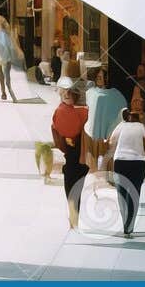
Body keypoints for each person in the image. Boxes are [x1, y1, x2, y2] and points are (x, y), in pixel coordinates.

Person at [106, 108, 145, 237]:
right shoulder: (141, 127)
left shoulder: (120, 126)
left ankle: (125, 226)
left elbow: (111, 141)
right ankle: (129, 227)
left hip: (121, 162)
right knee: (134, 194)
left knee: (121, 194)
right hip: (138, 162)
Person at [52, 86, 90, 228]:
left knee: (74, 190)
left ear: (75, 96)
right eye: (65, 92)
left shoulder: (82, 112)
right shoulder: (62, 111)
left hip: (79, 160)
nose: (67, 94)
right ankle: (74, 217)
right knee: (72, 191)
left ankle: (74, 218)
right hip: (72, 160)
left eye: (70, 93)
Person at [85, 67, 127, 168]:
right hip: (94, 133)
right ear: (95, 78)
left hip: (109, 134)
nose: (101, 79)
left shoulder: (114, 93)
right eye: (99, 77)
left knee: (108, 161)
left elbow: (122, 104)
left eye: (103, 77)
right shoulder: (91, 92)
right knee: (95, 163)